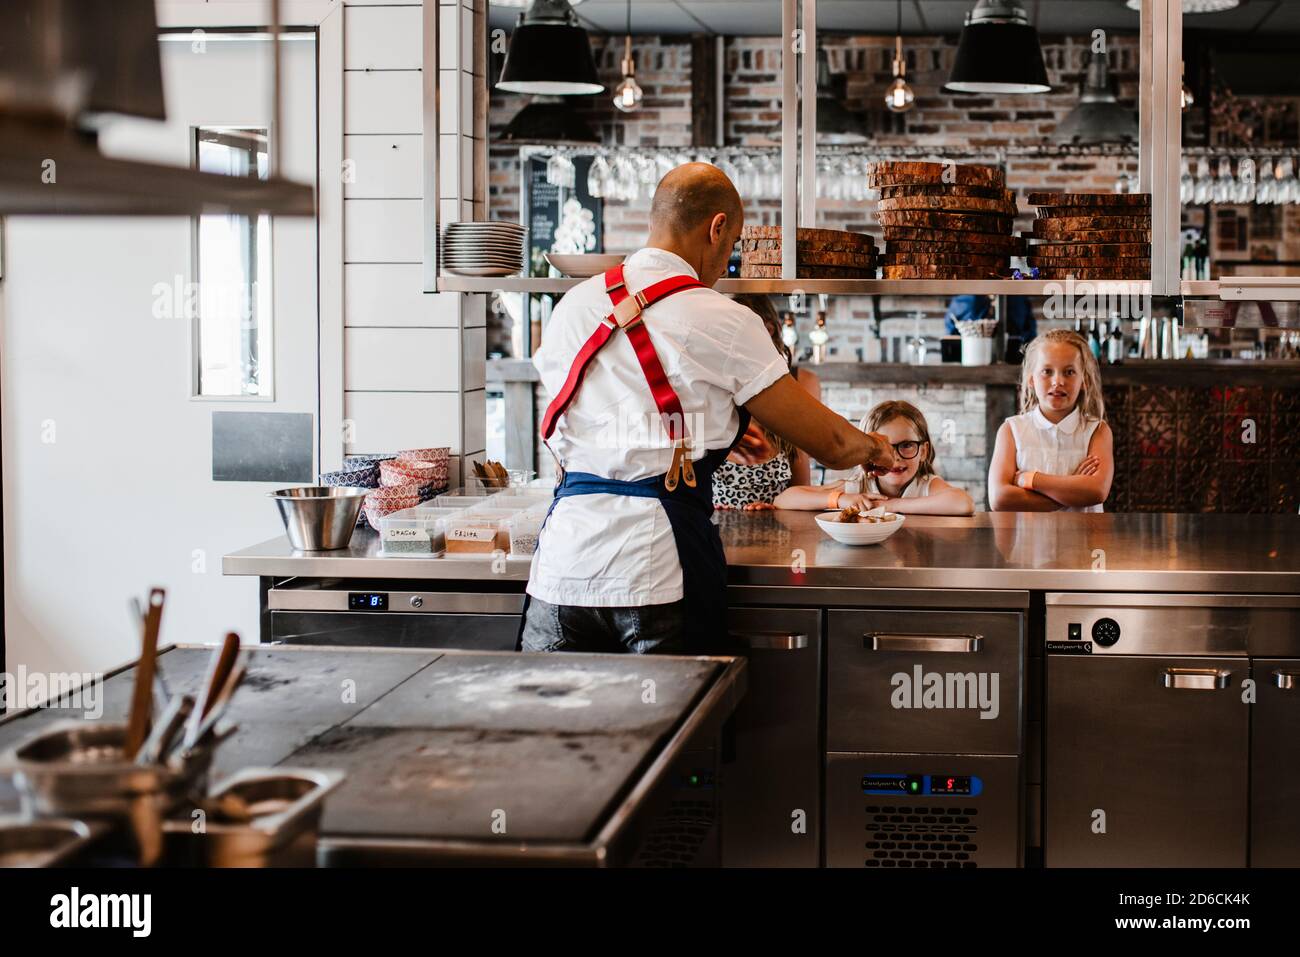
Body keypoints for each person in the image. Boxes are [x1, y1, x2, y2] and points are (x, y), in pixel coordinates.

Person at [522, 163, 893, 655]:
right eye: (734, 242)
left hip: (562, 568)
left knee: (558, 728)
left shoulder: (573, 306)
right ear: (717, 227)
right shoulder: (724, 318)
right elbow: (835, 444)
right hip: (654, 570)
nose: (727, 260)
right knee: (674, 728)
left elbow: (577, 430)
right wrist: (878, 448)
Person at [711, 294, 821, 511]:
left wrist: (777, 511)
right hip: (715, 536)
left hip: (776, 537)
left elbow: (803, 497)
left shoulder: (789, 426)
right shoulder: (712, 406)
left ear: (768, 330)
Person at [773, 400, 975, 515]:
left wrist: (889, 505)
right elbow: (785, 499)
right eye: (884, 447)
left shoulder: (926, 485)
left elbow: (963, 503)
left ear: (923, 451)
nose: (895, 458)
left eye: (906, 445)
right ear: (866, 450)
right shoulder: (858, 488)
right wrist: (841, 499)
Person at [988, 328, 1114, 511]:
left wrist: (1030, 479)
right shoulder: (1011, 430)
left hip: (1083, 539)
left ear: (1084, 380)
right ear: (1031, 380)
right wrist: (1073, 490)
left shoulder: (1098, 431)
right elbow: (1000, 499)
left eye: (1069, 372)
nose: (1058, 381)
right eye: (1047, 371)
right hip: (1028, 540)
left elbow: (1096, 491)